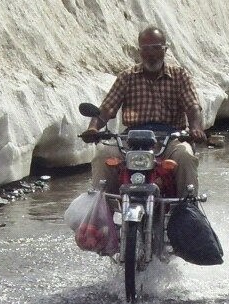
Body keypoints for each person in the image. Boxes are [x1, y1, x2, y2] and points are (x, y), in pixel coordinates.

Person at [83, 26, 206, 198]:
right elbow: (107, 108)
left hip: (169, 138)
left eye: (156, 48)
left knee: (185, 155)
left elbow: (193, 106)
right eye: (146, 49)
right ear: (139, 51)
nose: (151, 53)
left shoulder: (180, 75)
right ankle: (100, 207)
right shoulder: (127, 77)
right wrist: (93, 128)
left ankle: (188, 207)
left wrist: (195, 128)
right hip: (132, 139)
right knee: (102, 155)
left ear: (165, 49)